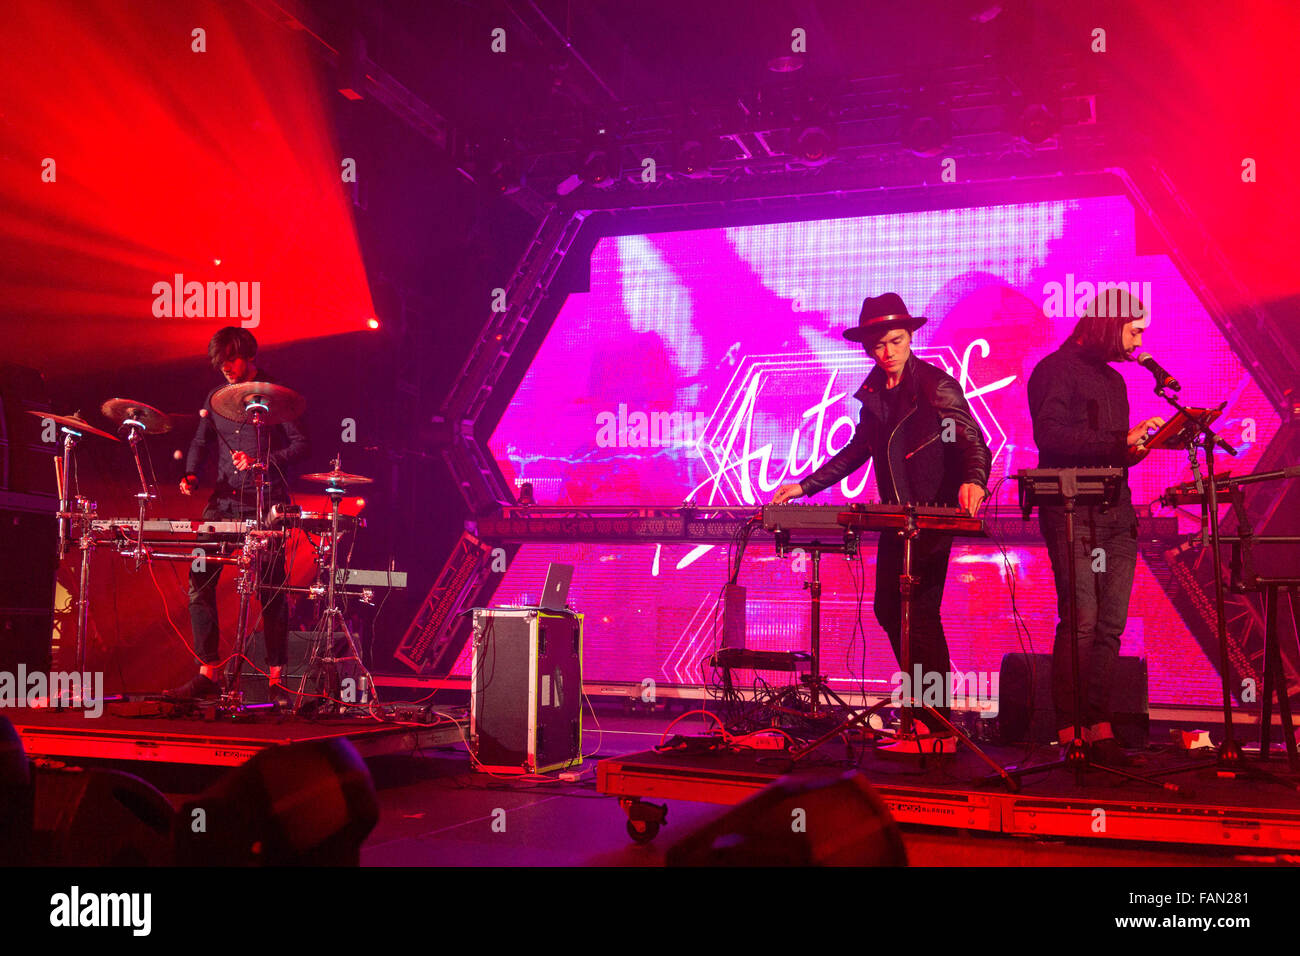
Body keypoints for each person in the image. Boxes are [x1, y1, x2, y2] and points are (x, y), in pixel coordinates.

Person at [773, 293, 991, 729]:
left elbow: (971, 440)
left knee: (921, 613)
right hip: (896, 518)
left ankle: (935, 719)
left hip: (932, 517)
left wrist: (975, 479)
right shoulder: (876, 391)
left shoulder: (934, 385)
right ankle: (922, 713)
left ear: (910, 337)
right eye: (877, 346)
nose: (886, 353)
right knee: (889, 610)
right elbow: (859, 449)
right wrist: (804, 485)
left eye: (894, 341)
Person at [1026, 292, 1163, 767]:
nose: (1140, 340)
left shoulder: (1114, 379)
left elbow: (1105, 449)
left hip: (1117, 514)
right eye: (1135, 329)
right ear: (1110, 324)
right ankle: (1070, 728)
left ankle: (1099, 724)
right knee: (1081, 621)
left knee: (1109, 626)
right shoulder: (1054, 369)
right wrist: (1115, 441)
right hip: (1072, 511)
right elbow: (1050, 435)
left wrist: (1131, 449)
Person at [166, 327, 310, 700]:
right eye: (220, 362)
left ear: (248, 354)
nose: (225, 368)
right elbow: (200, 440)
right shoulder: (215, 397)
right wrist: (192, 473)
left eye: (230, 359)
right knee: (199, 580)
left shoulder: (276, 396)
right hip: (223, 503)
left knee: (270, 589)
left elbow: (300, 444)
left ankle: (277, 679)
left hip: (265, 507)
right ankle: (208, 672)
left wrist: (261, 461)